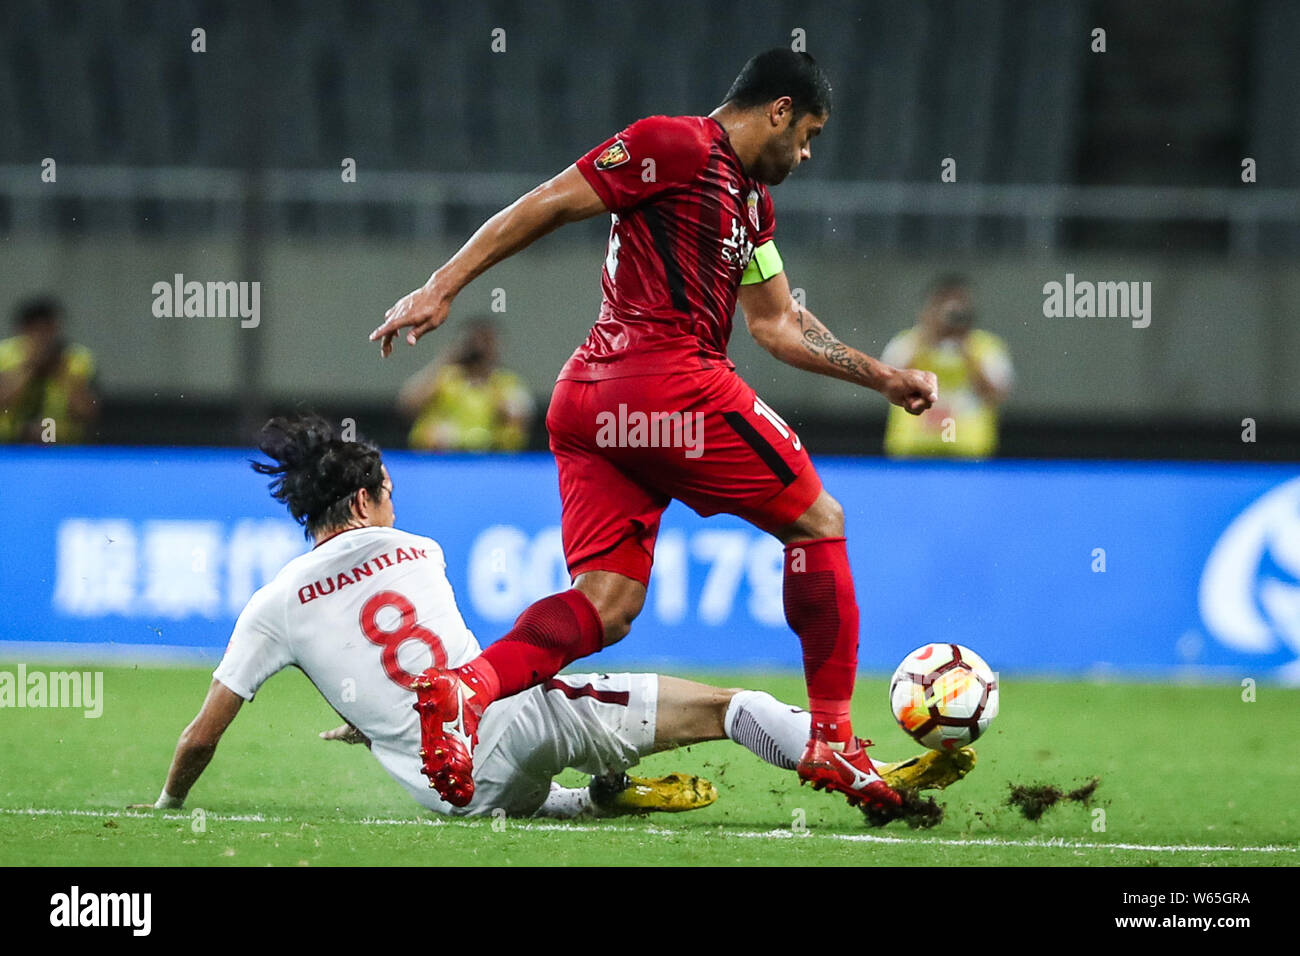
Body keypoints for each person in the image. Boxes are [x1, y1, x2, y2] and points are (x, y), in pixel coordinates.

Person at [369, 49, 939, 816]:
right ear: (777, 109)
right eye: (806, 134)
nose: (805, 154)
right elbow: (549, 201)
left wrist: (884, 378)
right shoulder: (674, 144)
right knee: (820, 521)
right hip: (664, 379)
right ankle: (832, 737)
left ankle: (464, 690)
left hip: (593, 403)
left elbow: (776, 326)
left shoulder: (751, 207)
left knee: (606, 605)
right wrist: (442, 286)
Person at [133, 415, 973, 821]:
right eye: (387, 491)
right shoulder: (419, 549)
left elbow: (203, 736)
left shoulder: (271, 603)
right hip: (502, 721)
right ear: (363, 499)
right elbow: (423, 645)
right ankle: (853, 764)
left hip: (448, 793)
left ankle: (604, 801)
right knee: (721, 709)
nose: (398, 502)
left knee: (519, 796)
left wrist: (170, 804)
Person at [881, 275, 1013, 459]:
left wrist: (966, 348)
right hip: (912, 450)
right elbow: (889, 383)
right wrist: (927, 337)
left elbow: (995, 394)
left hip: (968, 450)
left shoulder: (985, 348)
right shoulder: (907, 343)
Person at [397, 318, 534, 451]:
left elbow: (520, 418)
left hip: (490, 459)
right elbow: (408, 405)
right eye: (474, 341)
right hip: (442, 458)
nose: (481, 348)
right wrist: (446, 359)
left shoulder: (505, 384)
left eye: (487, 342)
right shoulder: (445, 377)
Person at [0, 297, 98, 443]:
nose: (42, 338)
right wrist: (29, 367)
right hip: (8, 445)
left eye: (48, 330)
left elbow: (88, 413)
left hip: (60, 446)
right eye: (36, 330)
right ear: (22, 330)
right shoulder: (4, 355)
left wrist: (60, 371)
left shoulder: (76, 359)